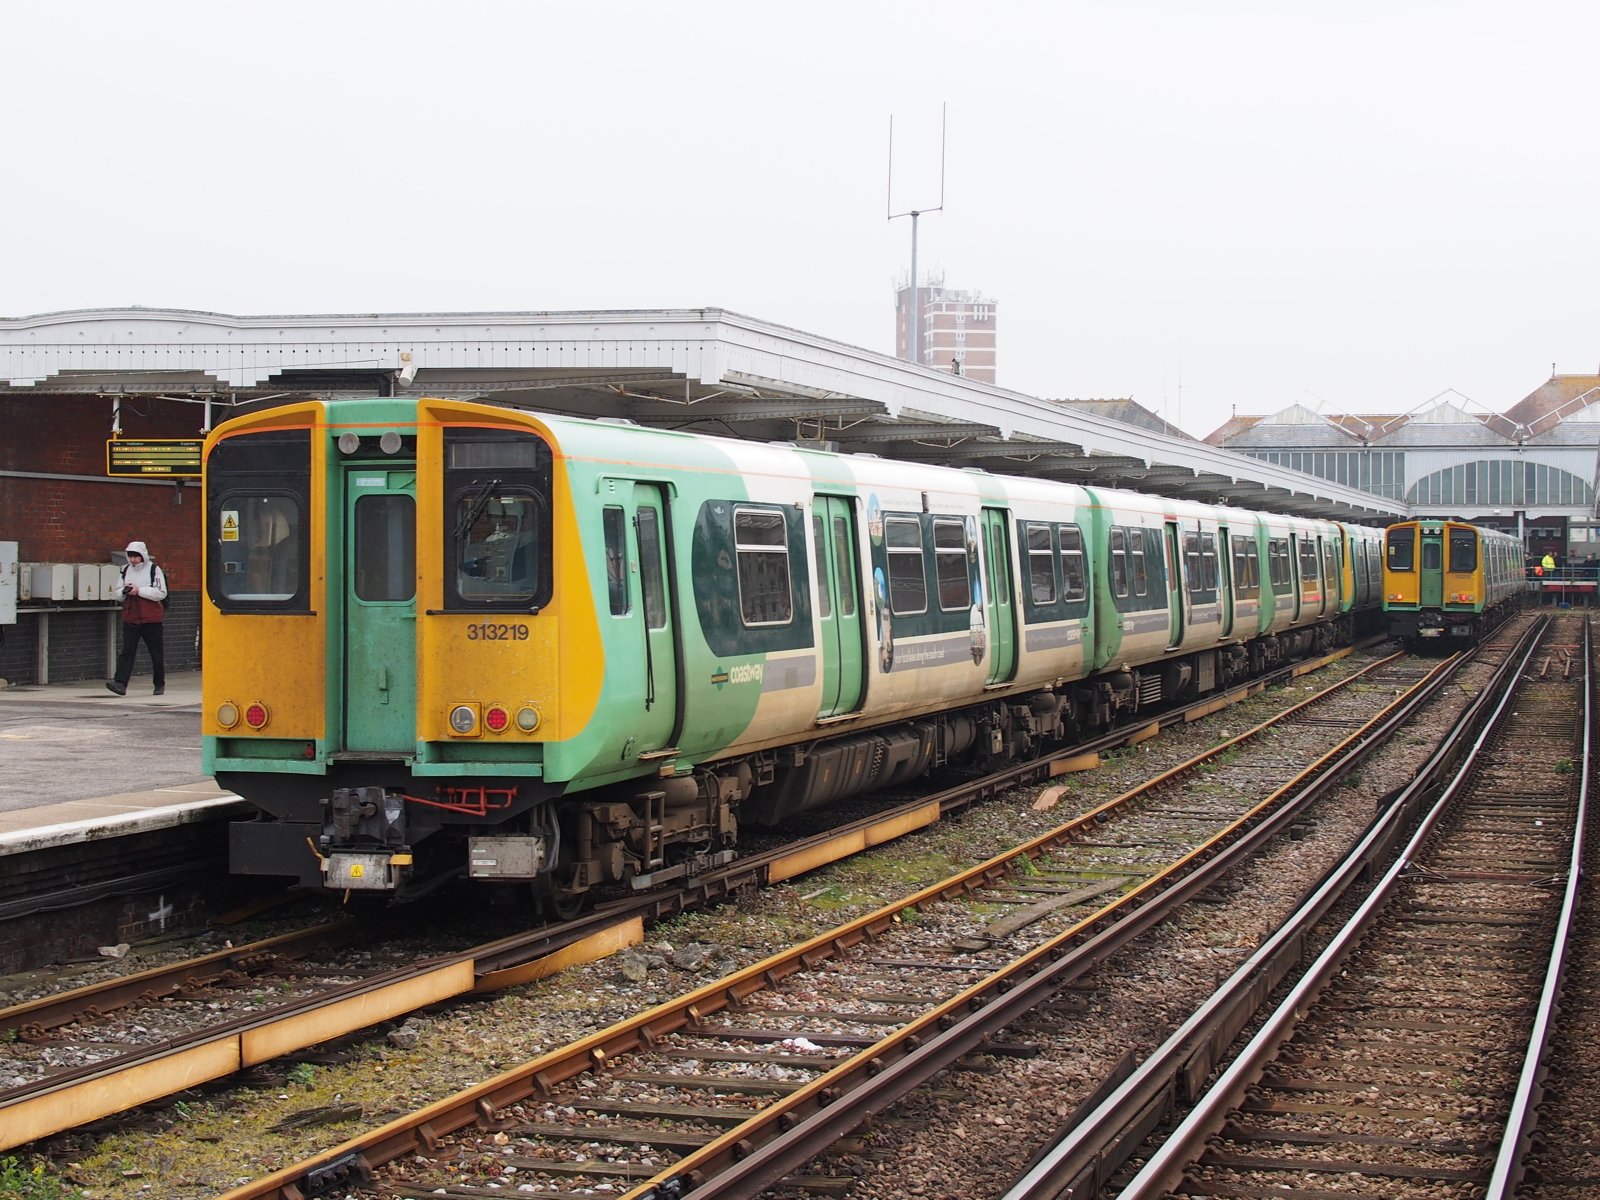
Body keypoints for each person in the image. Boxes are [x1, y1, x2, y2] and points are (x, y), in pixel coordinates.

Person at [106, 541, 167, 696]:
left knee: (156, 653)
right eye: (131, 556)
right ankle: (120, 683)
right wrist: (125, 592)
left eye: (136, 557)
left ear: (143, 556)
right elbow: (118, 593)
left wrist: (138, 591)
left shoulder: (154, 570)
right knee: (127, 651)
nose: (133, 560)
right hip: (131, 617)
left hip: (151, 619)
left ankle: (159, 684)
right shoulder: (125, 570)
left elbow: (161, 592)